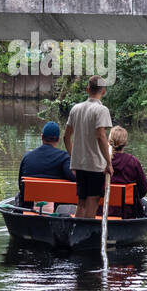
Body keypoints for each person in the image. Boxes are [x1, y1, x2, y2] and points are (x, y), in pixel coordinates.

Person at [63, 75, 113, 219]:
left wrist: (74, 158)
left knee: (82, 202)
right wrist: (109, 163)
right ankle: (87, 234)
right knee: (93, 201)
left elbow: (66, 137)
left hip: (79, 165)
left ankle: (76, 232)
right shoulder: (101, 110)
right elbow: (101, 136)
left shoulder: (75, 109)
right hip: (95, 164)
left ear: (87, 89)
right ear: (103, 91)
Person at [15, 121, 73, 207]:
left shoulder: (27, 157)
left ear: (42, 137)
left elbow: (20, 183)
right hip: (56, 207)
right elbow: (73, 178)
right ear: (58, 139)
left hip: (29, 205)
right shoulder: (64, 157)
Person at [108, 126, 147, 208]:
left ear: (109, 141)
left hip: (102, 211)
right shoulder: (133, 162)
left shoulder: (101, 161)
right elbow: (143, 189)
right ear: (125, 143)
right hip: (127, 212)